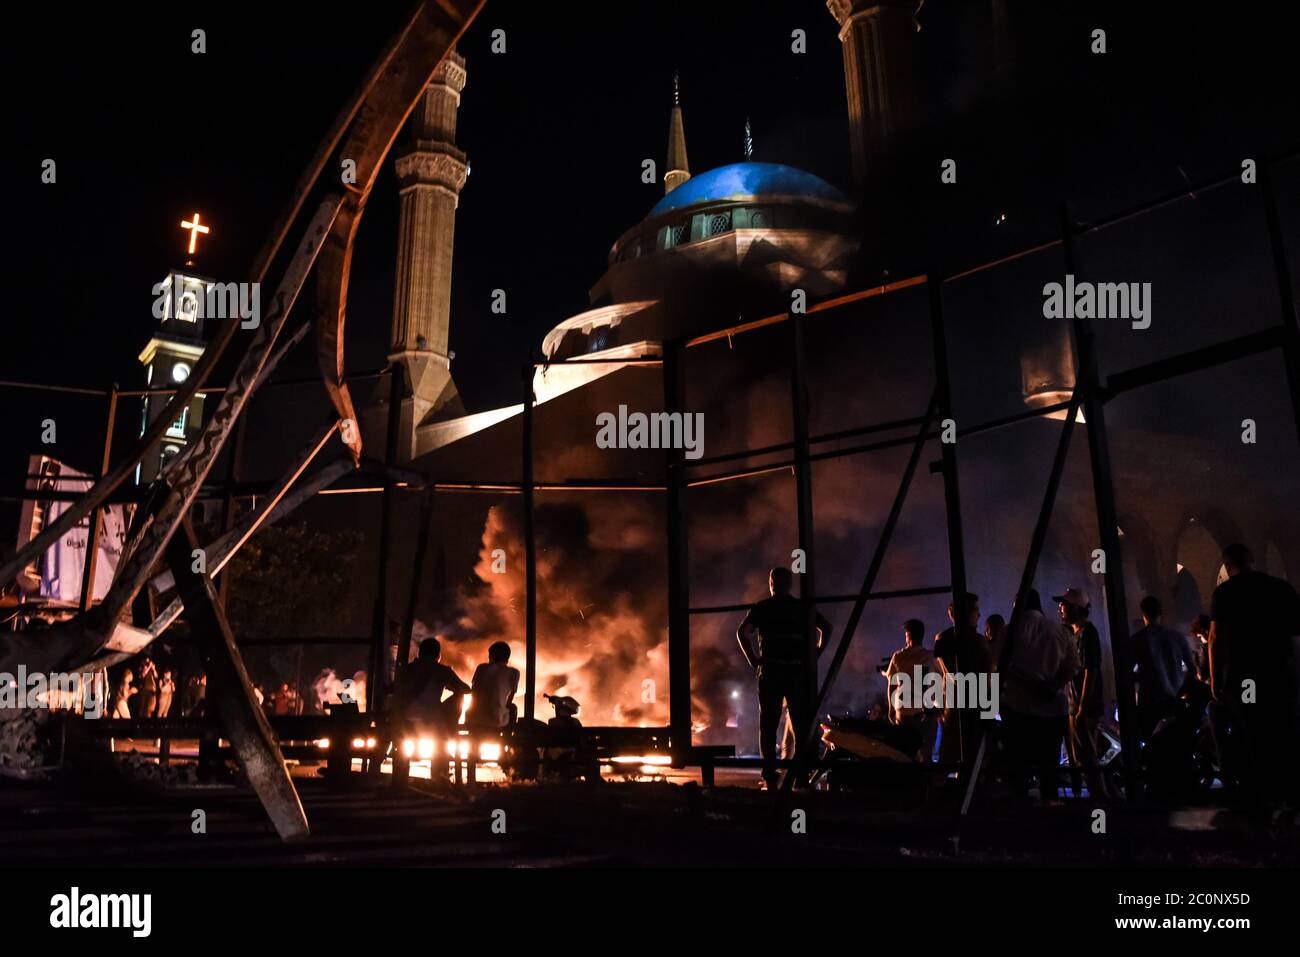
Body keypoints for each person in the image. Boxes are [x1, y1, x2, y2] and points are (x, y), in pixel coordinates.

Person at [1208, 544, 1300, 808]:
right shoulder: (1281, 588)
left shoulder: (1225, 593)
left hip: (1247, 677)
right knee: (1286, 730)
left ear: (1227, 567)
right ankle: (1290, 796)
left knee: (1255, 733)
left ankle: (1263, 798)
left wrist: (1215, 680)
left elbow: (1215, 638)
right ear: (1252, 560)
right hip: (1282, 673)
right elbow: (1296, 637)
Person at [736, 566, 832, 788]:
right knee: (800, 724)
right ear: (790, 584)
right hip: (797, 671)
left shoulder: (763, 608)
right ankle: (800, 775)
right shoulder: (801, 607)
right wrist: (815, 654)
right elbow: (827, 628)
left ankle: (769, 774)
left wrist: (753, 659)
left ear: (771, 584)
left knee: (768, 725)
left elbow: (742, 632)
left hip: (771, 670)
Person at [1000, 589, 1080, 803]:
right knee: (1049, 770)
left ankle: (1021, 817)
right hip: (1051, 712)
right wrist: (1051, 686)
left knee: (1018, 772)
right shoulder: (1060, 632)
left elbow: (998, 668)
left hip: (1017, 711)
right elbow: (1072, 667)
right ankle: (1050, 813)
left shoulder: (1008, 632)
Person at [1056, 586, 1111, 801]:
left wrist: (1081, 708)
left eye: (1064, 605)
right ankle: (1104, 796)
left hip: (1082, 708)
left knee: (1087, 757)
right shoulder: (1076, 634)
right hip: (1076, 705)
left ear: (1077, 608)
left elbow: (1091, 671)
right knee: (1082, 757)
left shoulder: (1088, 633)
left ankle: (1102, 799)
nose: (1060, 609)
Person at [934, 593, 992, 765]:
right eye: (976, 610)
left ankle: (936, 791)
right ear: (967, 613)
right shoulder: (980, 642)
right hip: (976, 711)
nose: (979, 615)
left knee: (947, 758)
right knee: (974, 761)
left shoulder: (942, 638)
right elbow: (989, 678)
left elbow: (943, 674)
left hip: (952, 708)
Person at [1131, 595, 1197, 741]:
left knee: (1152, 746)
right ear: (1161, 613)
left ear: (1143, 614)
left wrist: (1143, 677)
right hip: (1174, 699)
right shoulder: (1177, 637)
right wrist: (1181, 690)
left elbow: (1126, 673)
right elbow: (1192, 670)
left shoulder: (1138, 640)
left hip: (1150, 703)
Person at [884, 618, 947, 762]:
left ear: (908, 635)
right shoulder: (930, 657)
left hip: (904, 713)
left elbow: (891, 685)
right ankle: (926, 782)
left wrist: (891, 709)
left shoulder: (898, 657)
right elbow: (944, 677)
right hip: (925, 713)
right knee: (926, 755)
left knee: (904, 754)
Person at [393, 637, 471, 732]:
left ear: (419, 653)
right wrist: (450, 686)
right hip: (433, 717)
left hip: (406, 716)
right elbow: (466, 689)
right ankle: (450, 731)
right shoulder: (442, 670)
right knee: (460, 695)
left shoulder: (407, 669)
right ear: (438, 655)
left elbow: (393, 688)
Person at [467, 641, 520, 728]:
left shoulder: (481, 668)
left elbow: (474, 691)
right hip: (497, 720)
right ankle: (507, 737)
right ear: (507, 657)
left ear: (491, 656)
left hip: (475, 719)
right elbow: (509, 700)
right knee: (512, 707)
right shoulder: (514, 672)